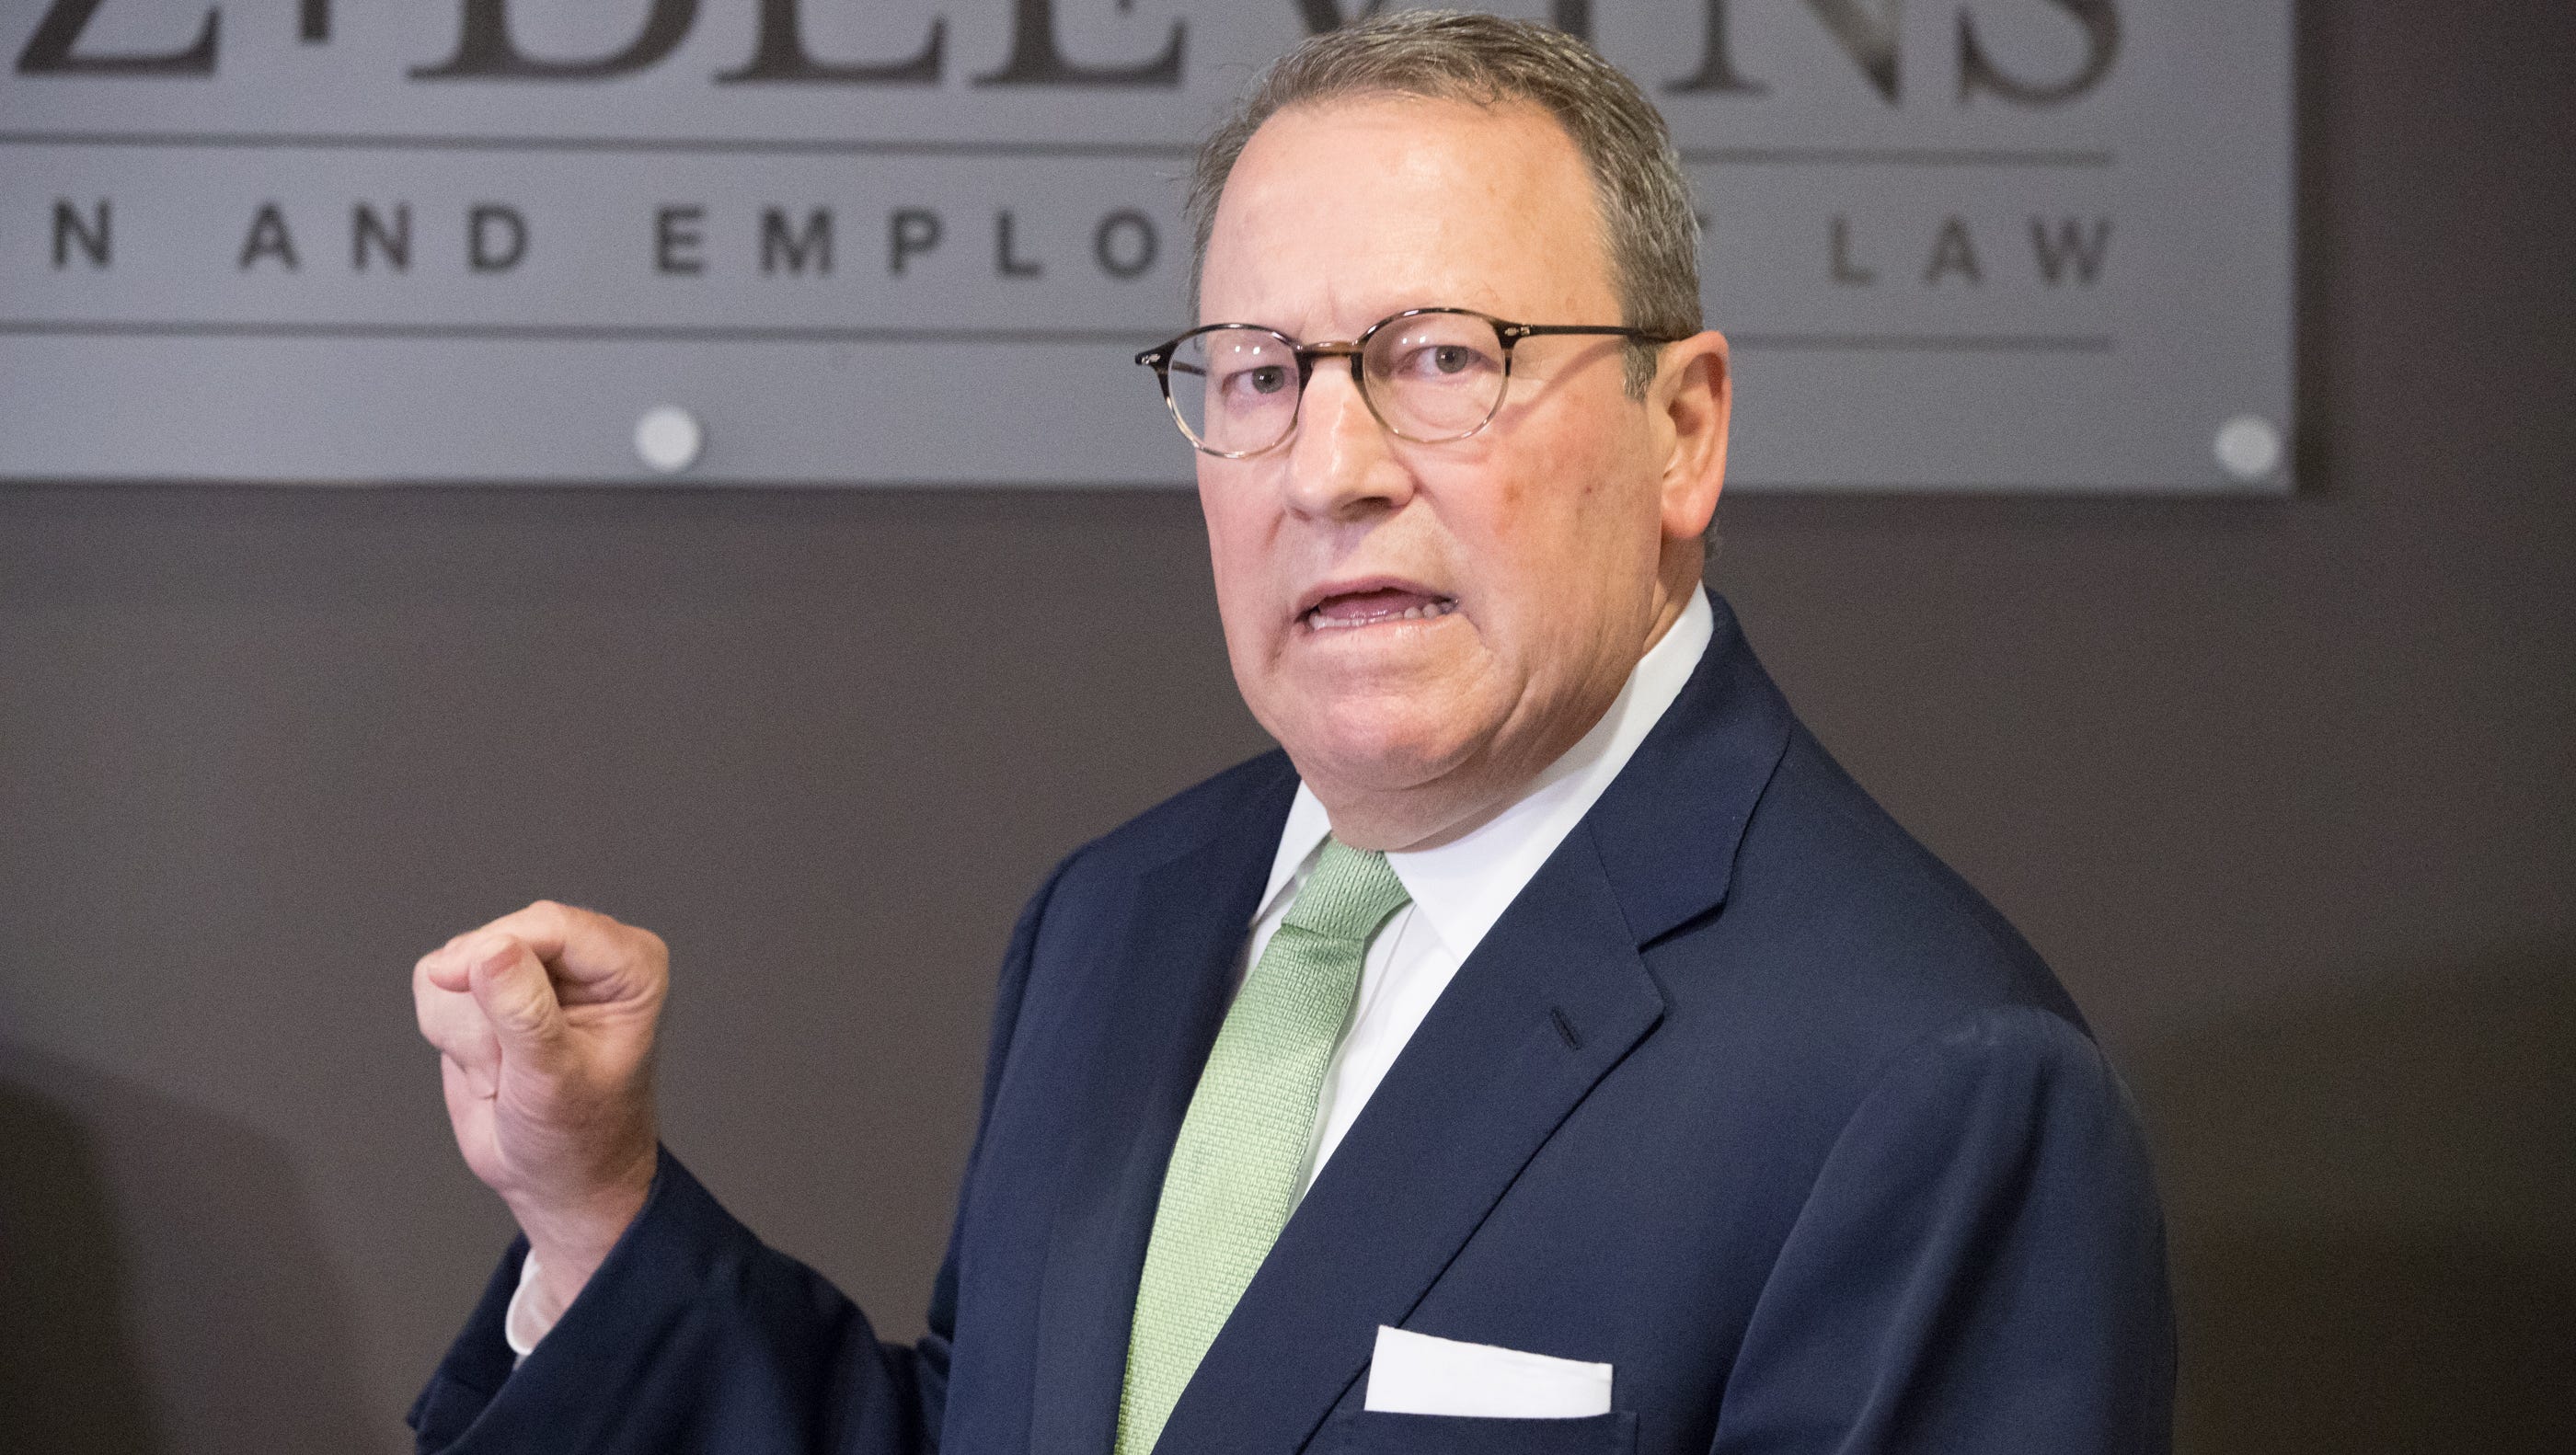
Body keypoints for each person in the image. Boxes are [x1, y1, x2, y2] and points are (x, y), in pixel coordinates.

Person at [408, 12, 2172, 1454]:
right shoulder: (1117, 916)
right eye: (1261, 373)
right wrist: (598, 1207)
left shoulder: (1931, 1084)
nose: (1332, 469)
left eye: (1443, 358)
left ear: (1683, 430)